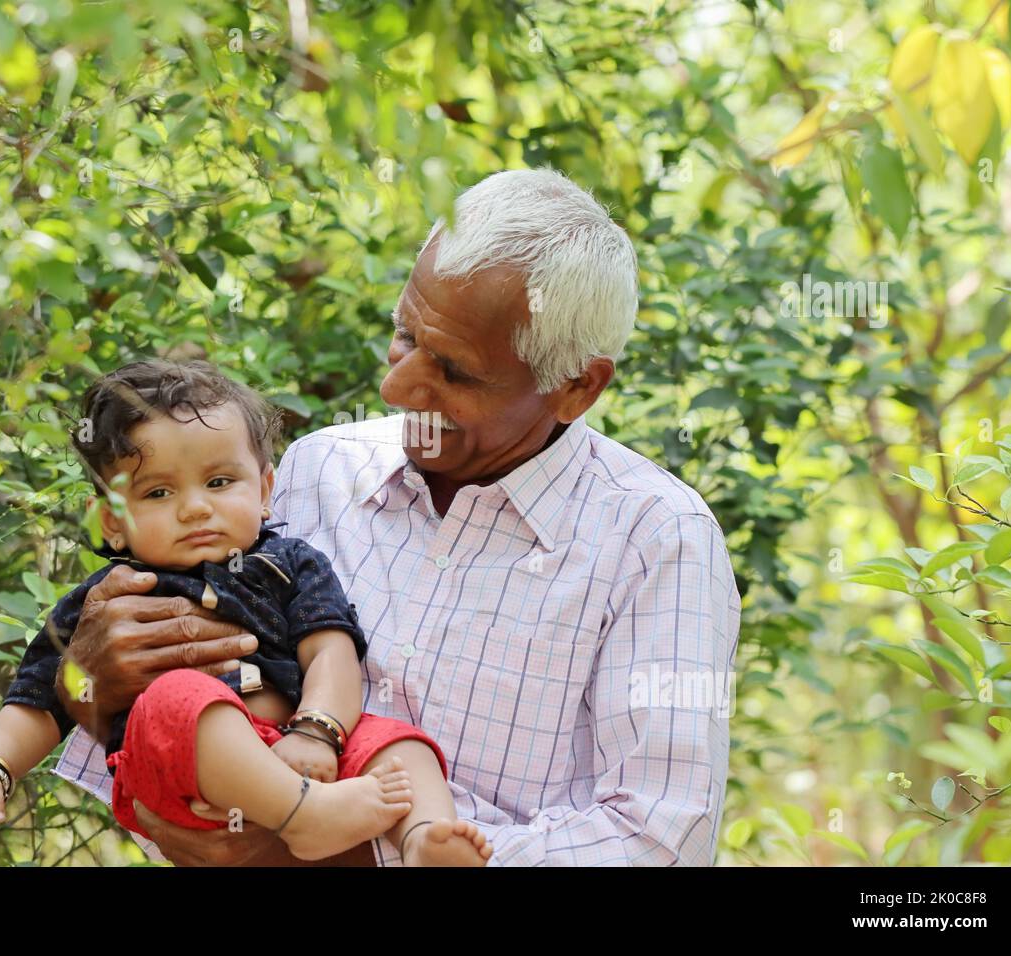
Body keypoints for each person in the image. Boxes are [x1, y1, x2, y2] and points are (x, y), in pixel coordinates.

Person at [54, 168, 742, 866]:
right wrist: (87, 687)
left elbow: (658, 839)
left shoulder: (656, 539)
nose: (396, 385)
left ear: (576, 387)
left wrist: (336, 848)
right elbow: (173, 730)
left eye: (454, 371)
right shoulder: (320, 472)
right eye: (405, 336)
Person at [0, 359, 493, 866]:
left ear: (265, 490)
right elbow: (39, 699)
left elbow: (330, 649)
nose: (195, 507)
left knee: (396, 742)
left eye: (219, 482)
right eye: (158, 492)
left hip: (295, 749)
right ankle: (305, 818)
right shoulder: (109, 601)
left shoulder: (289, 564)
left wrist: (318, 731)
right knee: (176, 696)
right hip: (182, 775)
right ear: (111, 521)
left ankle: (425, 837)